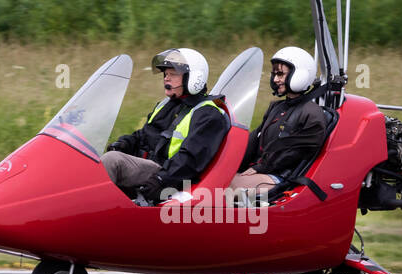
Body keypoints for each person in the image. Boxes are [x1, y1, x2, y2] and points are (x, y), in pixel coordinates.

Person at [102, 48, 230, 204]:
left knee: (112, 161)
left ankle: (89, 211)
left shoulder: (208, 114)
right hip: (154, 169)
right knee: (96, 158)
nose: (166, 79)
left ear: (193, 78)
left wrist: (161, 179)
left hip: (169, 176)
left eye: (173, 74)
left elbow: (190, 160)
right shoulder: (168, 105)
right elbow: (144, 134)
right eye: (166, 74)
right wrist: (124, 144)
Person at [230, 46, 329, 197]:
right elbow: (254, 139)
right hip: (263, 169)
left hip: (283, 178)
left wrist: (261, 167)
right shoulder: (276, 107)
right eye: (274, 74)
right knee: (216, 179)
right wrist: (230, 159)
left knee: (227, 188)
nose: (276, 79)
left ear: (300, 75)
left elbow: (295, 152)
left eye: (281, 74)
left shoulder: (312, 113)